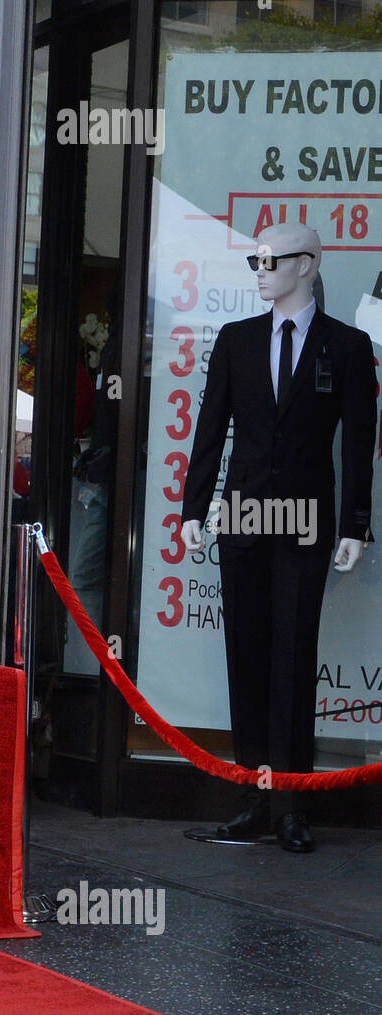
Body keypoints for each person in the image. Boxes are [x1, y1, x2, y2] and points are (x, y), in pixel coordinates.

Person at [181, 222, 376, 852]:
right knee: (247, 654)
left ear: (308, 264)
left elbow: (358, 446)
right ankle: (251, 799)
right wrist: (194, 510)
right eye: (255, 259)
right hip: (241, 517)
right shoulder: (236, 341)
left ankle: (294, 805)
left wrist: (356, 526)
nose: (261, 269)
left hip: (306, 519)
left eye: (272, 259)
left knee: (294, 654)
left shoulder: (347, 346)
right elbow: (209, 429)